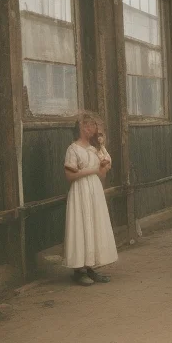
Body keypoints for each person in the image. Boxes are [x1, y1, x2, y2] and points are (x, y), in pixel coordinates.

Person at [63, 112, 117, 286]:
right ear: (80, 128)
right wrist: (92, 171)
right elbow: (70, 176)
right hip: (80, 191)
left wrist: (103, 167)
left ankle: (91, 267)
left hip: (94, 189)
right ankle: (78, 270)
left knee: (93, 224)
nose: (91, 129)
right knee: (81, 224)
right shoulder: (73, 149)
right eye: (87, 126)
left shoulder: (95, 149)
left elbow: (101, 175)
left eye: (92, 126)